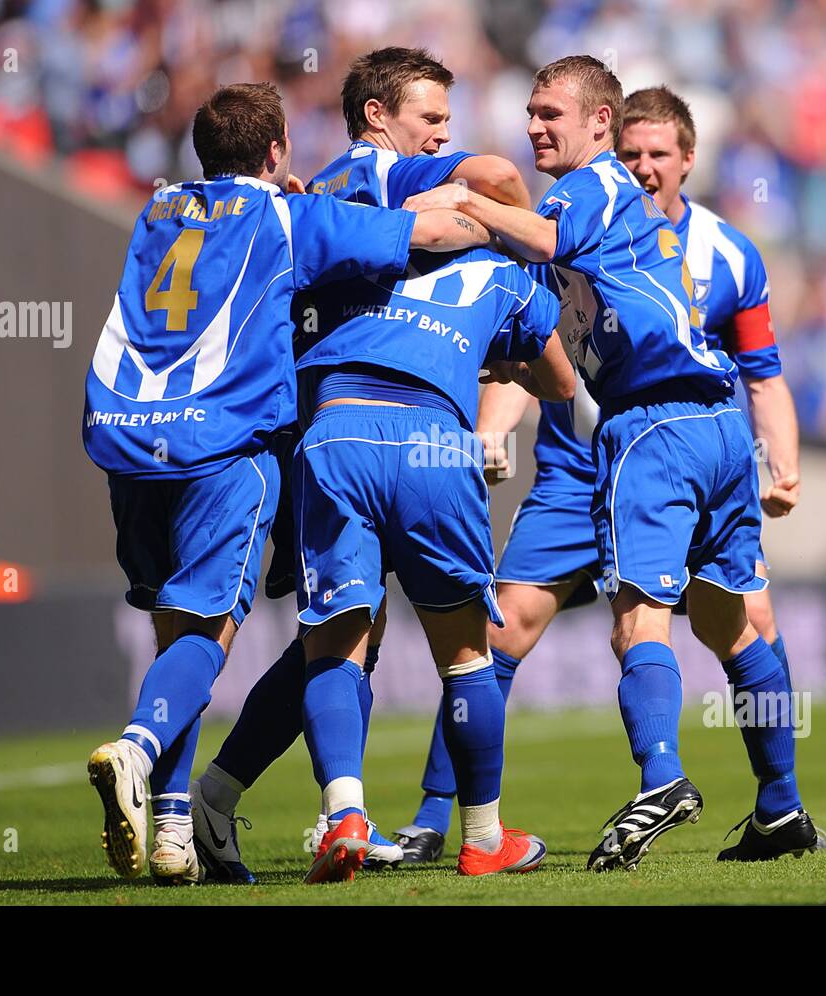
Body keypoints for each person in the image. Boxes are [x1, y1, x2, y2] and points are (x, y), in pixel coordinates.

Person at [404, 57, 822, 868]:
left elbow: (544, 237)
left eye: (550, 112)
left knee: (637, 619)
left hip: (650, 433)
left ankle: (662, 777)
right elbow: (546, 347)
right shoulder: (604, 213)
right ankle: (780, 808)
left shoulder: (589, 190)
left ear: (602, 123)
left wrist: (462, 197)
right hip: (709, 431)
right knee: (730, 622)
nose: (534, 127)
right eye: (529, 112)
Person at [80, 80, 491, 885]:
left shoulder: (157, 211)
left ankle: (173, 832)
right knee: (204, 634)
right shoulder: (289, 215)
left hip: (128, 441)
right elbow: (436, 227)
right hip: (224, 447)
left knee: (175, 634)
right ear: (275, 153)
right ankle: (137, 749)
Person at [190, 47, 541, 879]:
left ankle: (255, 800)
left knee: (339, 639)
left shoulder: (303, 207)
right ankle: (481, 837)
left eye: (446, 125)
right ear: (377, 117)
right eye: (431, 119)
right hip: (398, 437)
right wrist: (506, 225)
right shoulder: (377, 177)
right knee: (444, 650)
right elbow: (495, 176)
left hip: (314, 436)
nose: (442, 139)